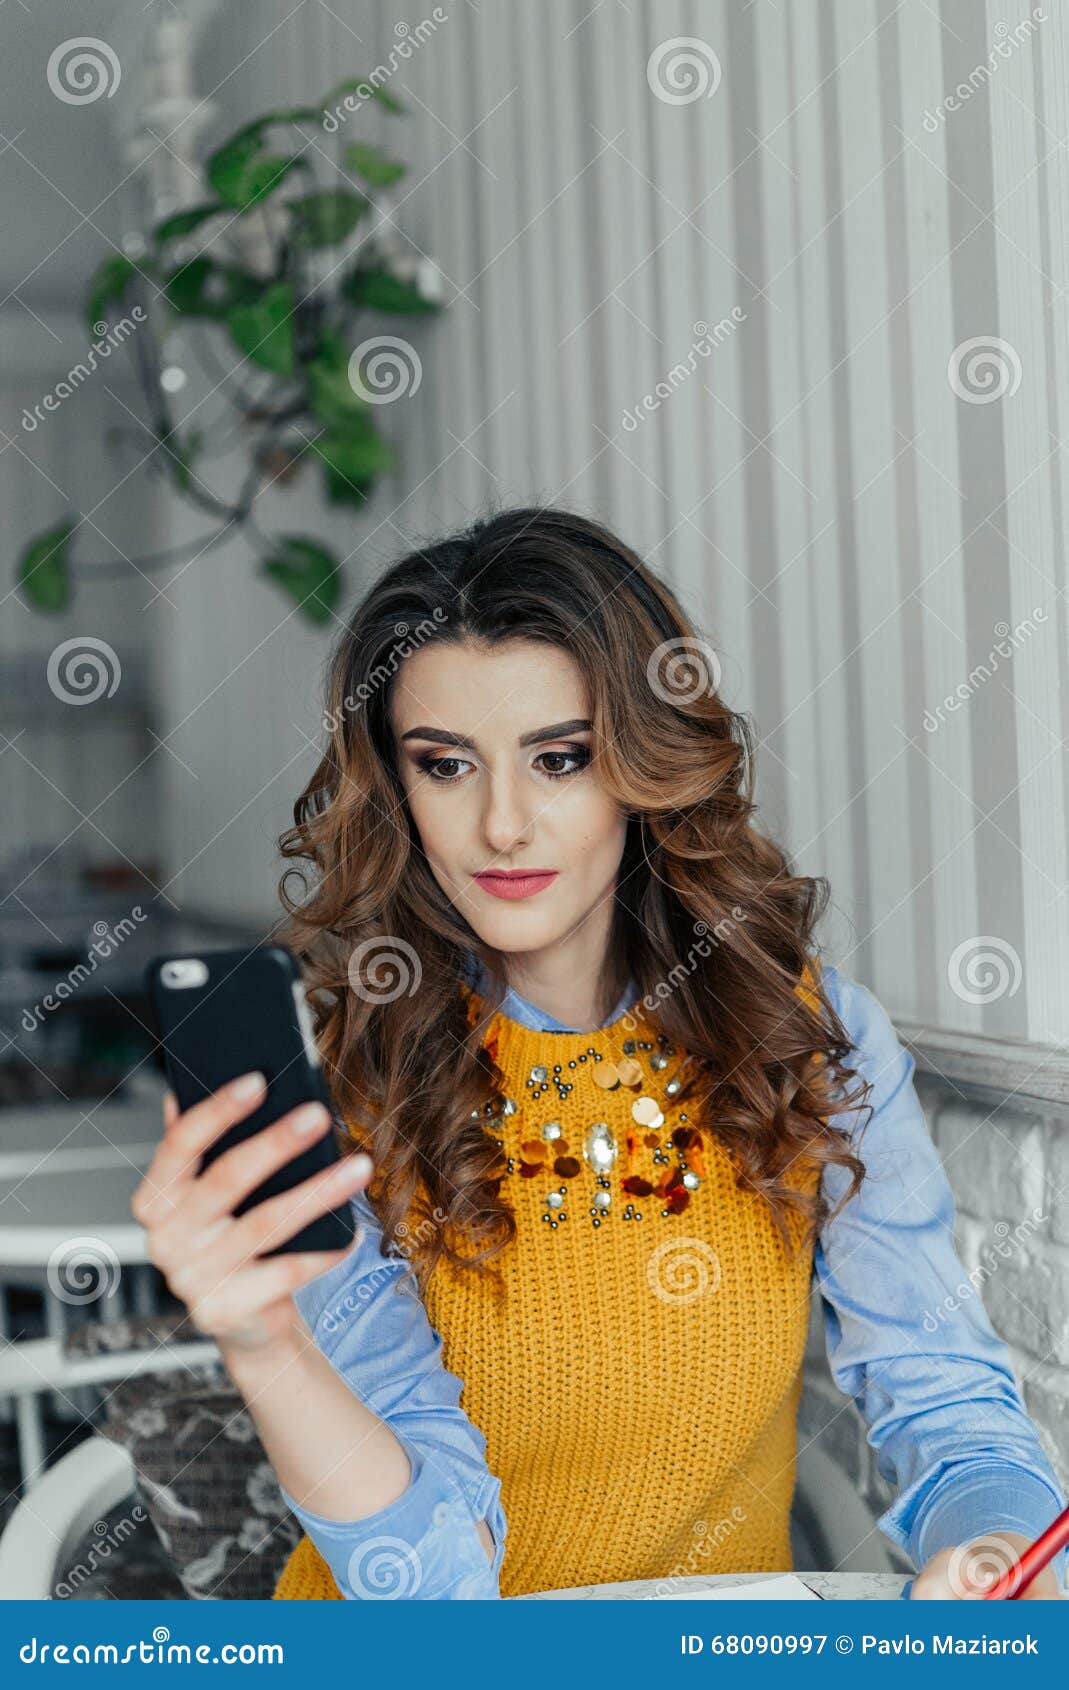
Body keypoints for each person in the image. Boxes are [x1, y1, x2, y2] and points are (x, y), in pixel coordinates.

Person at [133, 506, 1066, 1601]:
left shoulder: (806, 1036)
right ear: (397, 789)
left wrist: (993, 1550)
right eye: (445, 765)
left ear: (640, 767)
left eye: (559, 758)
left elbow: (948, 1408)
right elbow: (431, 1585)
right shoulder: (350, 1091)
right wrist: (263, 1346)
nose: (502, 825)